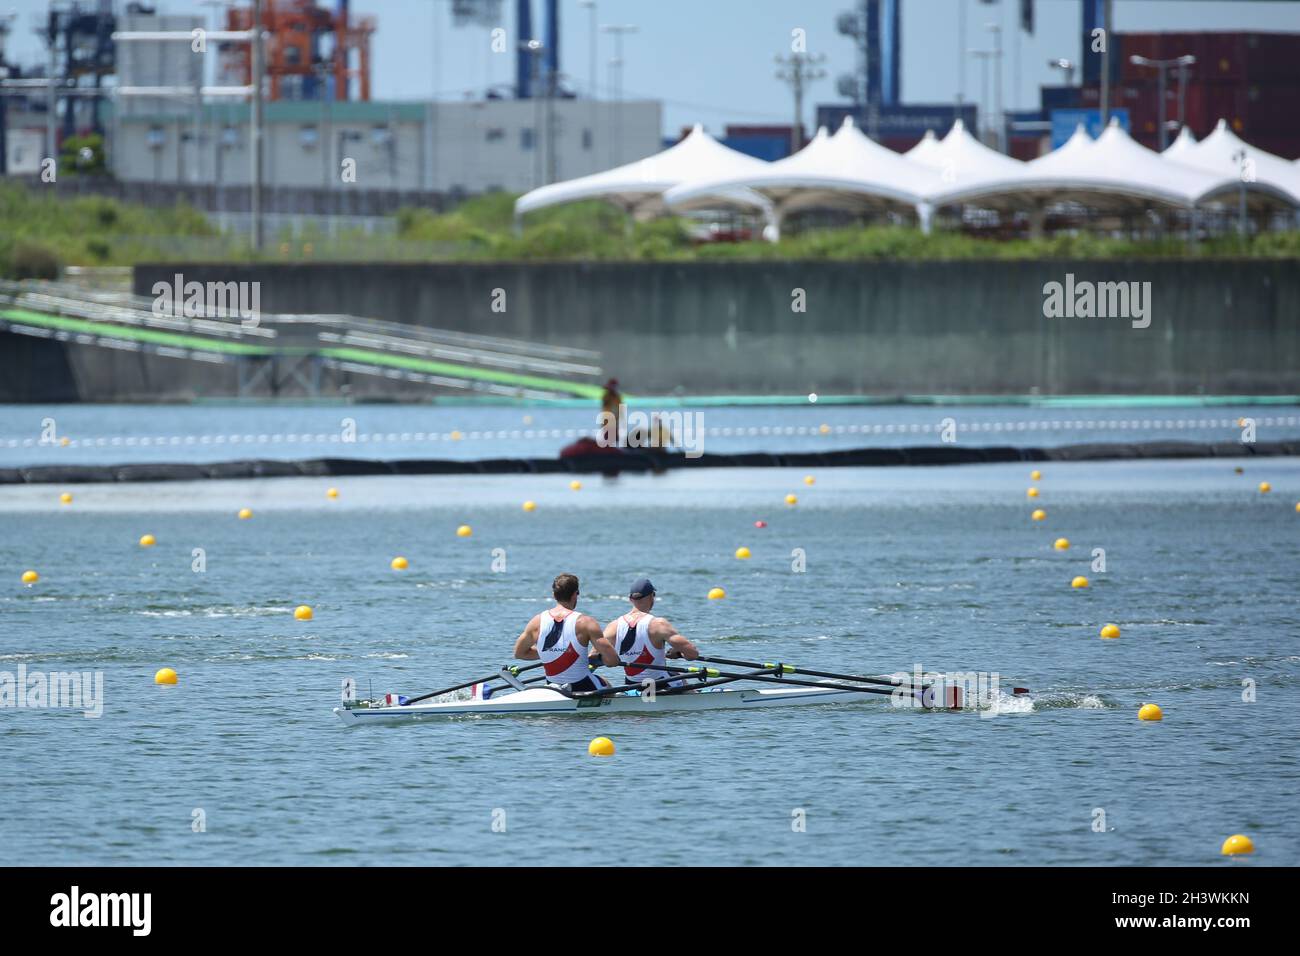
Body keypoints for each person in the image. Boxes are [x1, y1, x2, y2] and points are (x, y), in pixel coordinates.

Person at [514, 573, 618, 694]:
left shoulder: (536, 622)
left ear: (554, 595)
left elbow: (519, 653)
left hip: (552, 687)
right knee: (606, 684)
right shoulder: (586, 622)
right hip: (583, 685)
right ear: (575, 594)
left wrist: (551, 653)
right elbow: (612, 660)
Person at [604, 577, 699, 691]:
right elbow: (693, 654)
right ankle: (689, 697)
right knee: (676, 674)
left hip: (631, 685)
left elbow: (595, 657)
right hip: (660, 684)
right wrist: (679, 653)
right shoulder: (658, 624)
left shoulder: (612, 627)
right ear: (651, 596)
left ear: (630, 599)